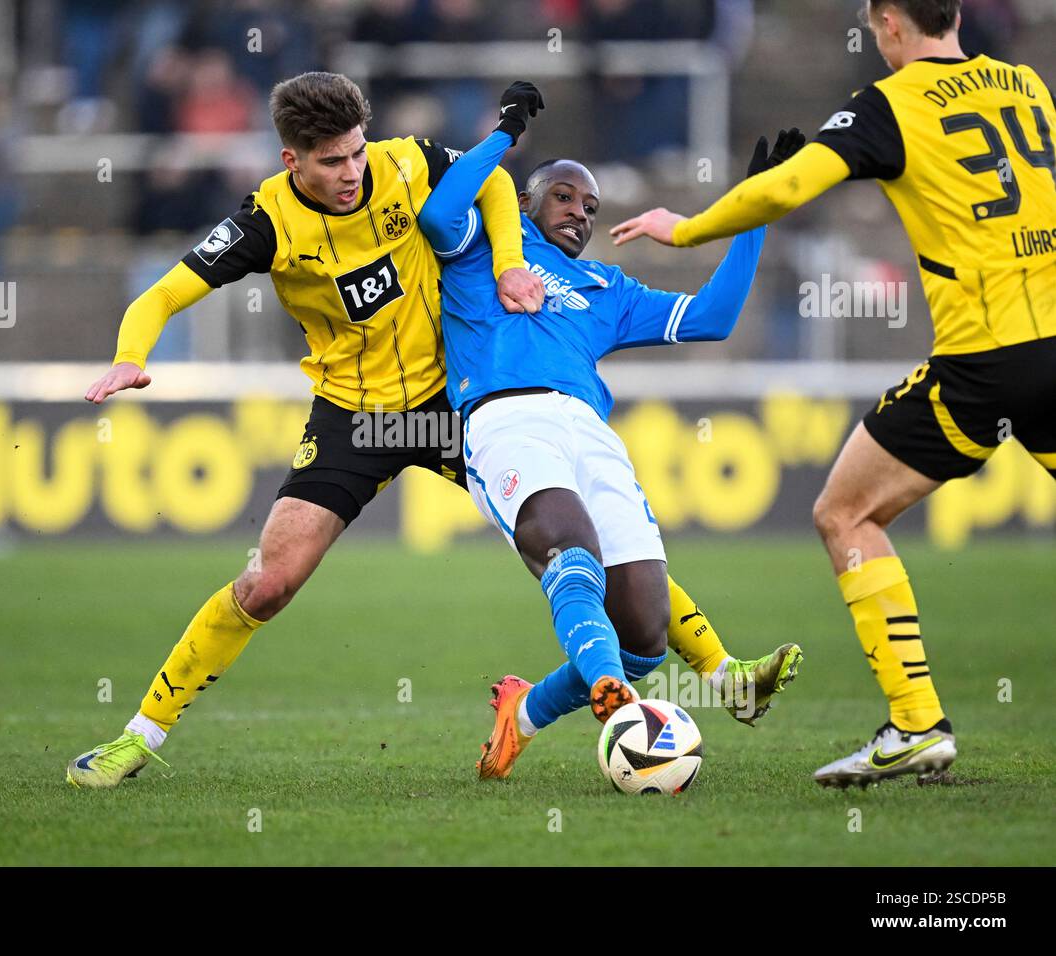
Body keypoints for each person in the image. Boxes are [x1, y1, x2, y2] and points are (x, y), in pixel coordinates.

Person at [611, 0, 1056, 787]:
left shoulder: (894, 103)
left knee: (843, 512)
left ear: (887, 22)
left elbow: (787, 189)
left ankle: (916, 724)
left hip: (989, 360)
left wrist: (686, 230)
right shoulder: (1027, 86)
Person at [66, 72, 544, 788]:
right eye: (331, 161)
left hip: (453, 401)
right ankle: (137, 738)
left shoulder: (403, 161)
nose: (352, 172)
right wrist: (131, 357)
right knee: (267, 584)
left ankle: (718, 668)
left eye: (356, 152)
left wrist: (508, 264)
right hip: (355, 421)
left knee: (559, 533)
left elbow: (495, 180)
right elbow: (163, 293)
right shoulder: (265, 223)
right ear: (293, 160)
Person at [418, 123, 807, 778]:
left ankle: (529, 708)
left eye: (590, 207)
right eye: (564, 197)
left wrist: (757, 210)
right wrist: (502, 138)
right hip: (507, 417)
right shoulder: (486, 248)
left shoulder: (607, 286)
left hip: (591, 431)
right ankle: (617, 703)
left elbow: (713, 317)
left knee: (645, 633)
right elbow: (437, 213)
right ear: (526, 203)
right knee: (570, 550)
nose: (579, 213)